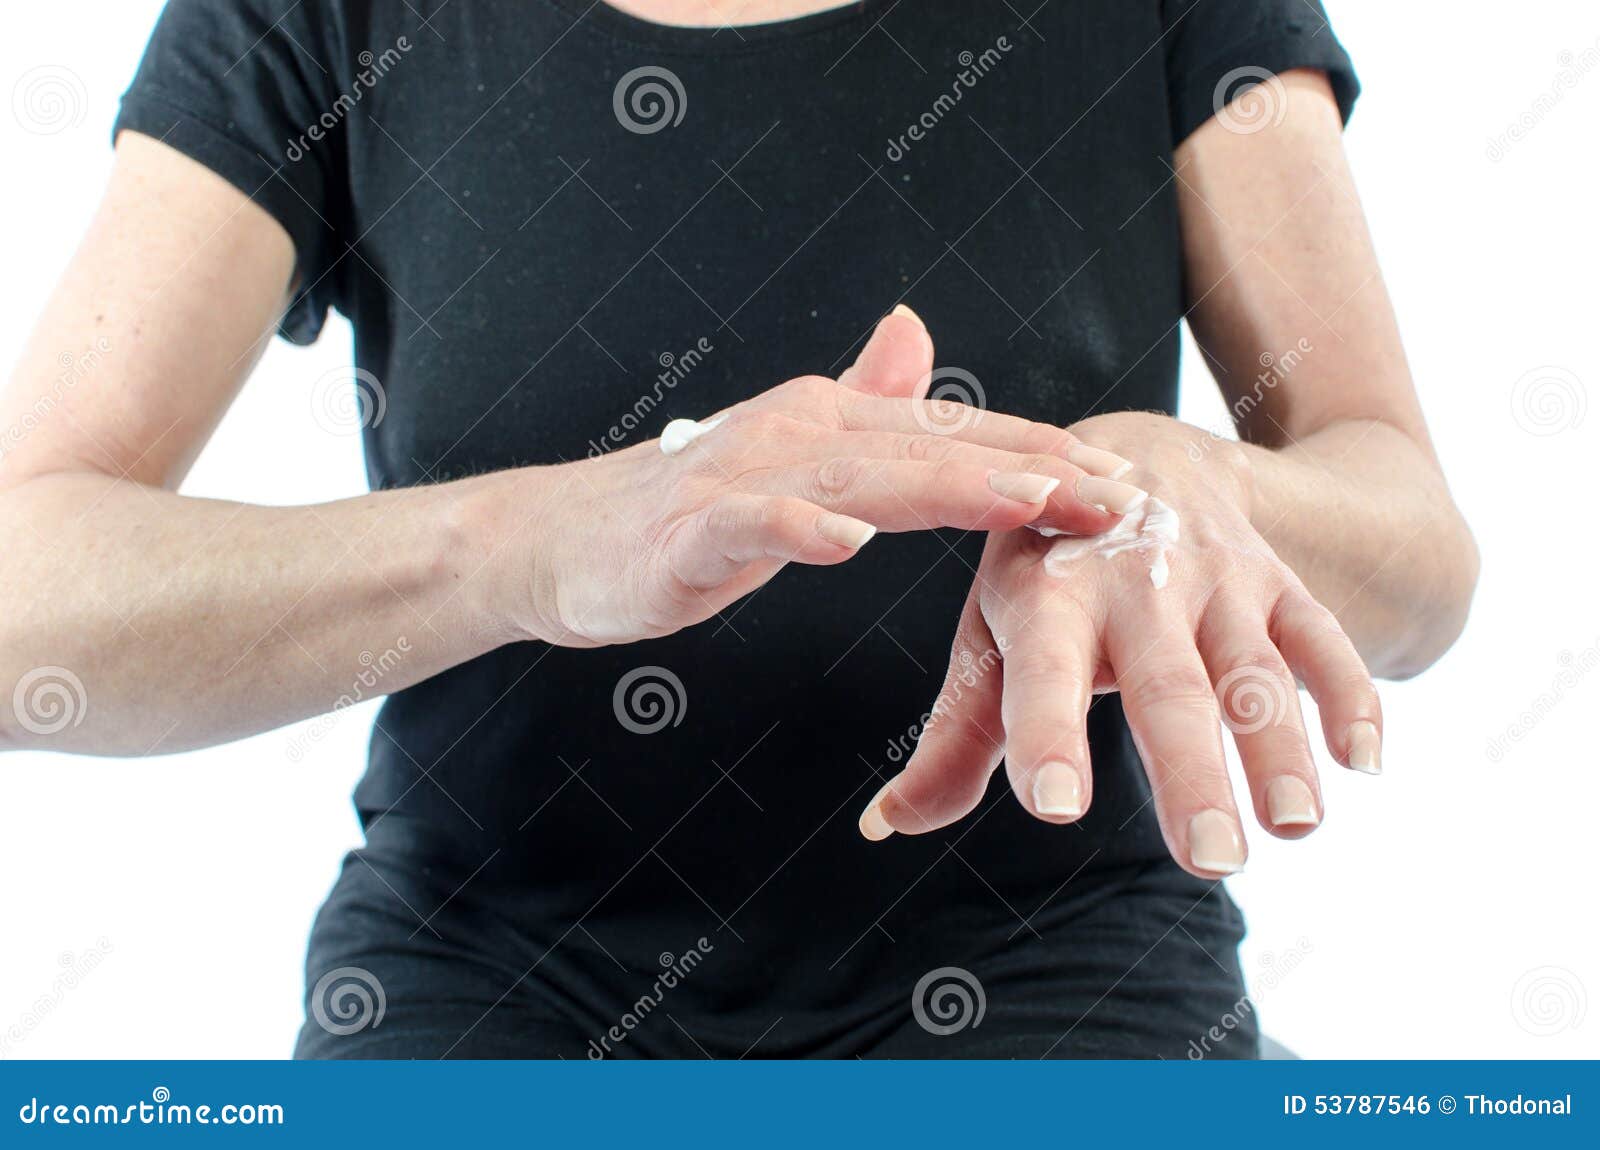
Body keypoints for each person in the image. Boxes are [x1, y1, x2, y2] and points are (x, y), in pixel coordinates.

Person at [0, 0, 1477, 1058]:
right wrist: (533, 540)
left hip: (1059, 966)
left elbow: (1414, 543)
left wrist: (1191, 481)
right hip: (491, 974)